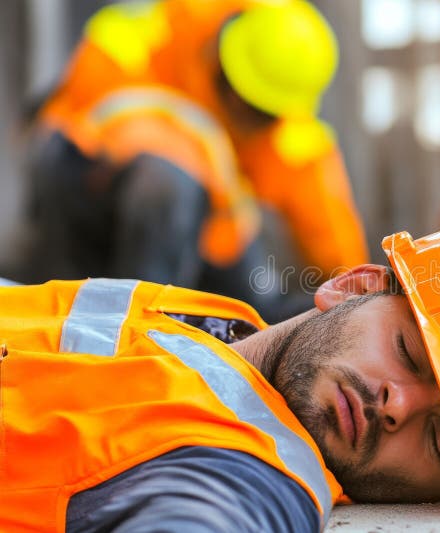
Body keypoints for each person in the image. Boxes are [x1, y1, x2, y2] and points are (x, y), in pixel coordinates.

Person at [0, 220, 440, 532]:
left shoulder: (251, 468)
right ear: (352, 287)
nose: (396, 405)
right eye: (411, 354)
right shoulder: (203, 322)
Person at [21, 0, 368, 322]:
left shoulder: (291, 136)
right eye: (235, 91)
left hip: (210, 231)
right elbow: (95, 115)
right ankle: (132, 331)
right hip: (92, 184)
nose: (240, 110)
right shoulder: (152, 36)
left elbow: (330, 232)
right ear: (221, 47)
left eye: (256, 111)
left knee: (260, 309)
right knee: (166, 186)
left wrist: (361, 297)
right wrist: (207, 158)